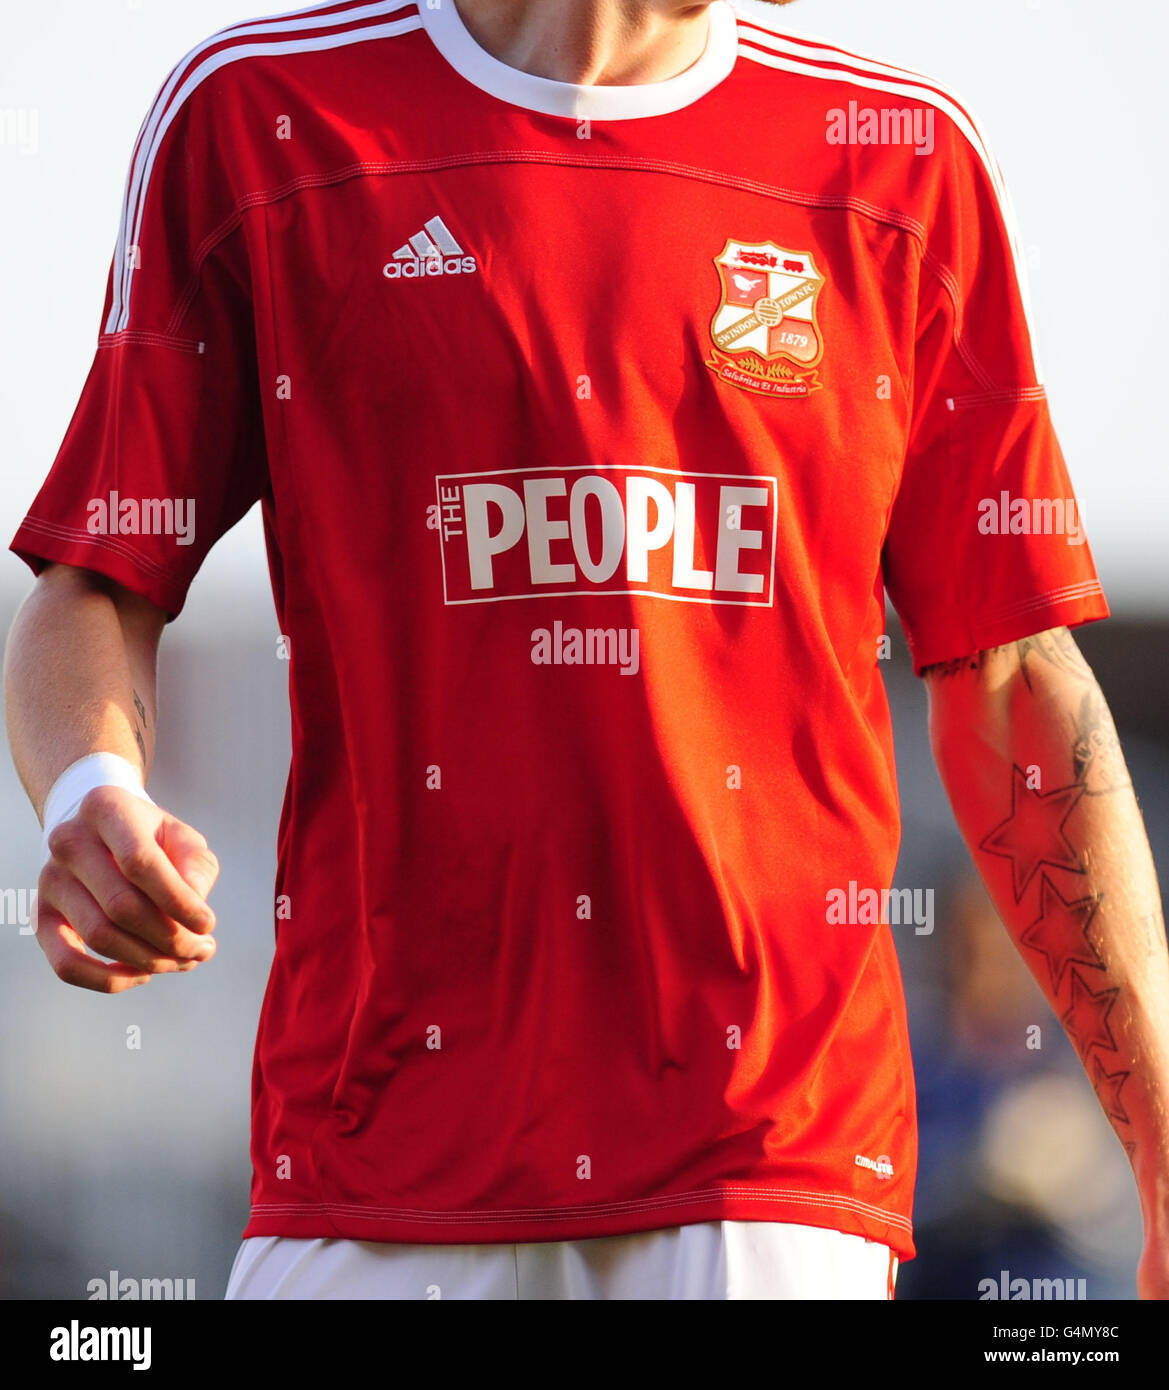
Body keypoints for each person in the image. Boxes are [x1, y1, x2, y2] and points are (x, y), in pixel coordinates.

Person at [6, 0, 1168, 1301]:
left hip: (770, 1166)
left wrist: (1163, 1140)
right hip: (372, 1157)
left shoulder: (902, 157)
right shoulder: (259, 114)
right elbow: (98, 578)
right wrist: (90, 794)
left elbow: (1009, 673)